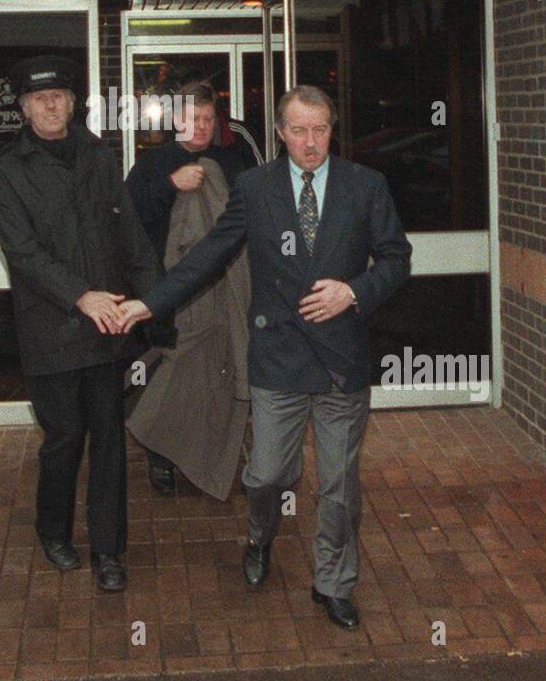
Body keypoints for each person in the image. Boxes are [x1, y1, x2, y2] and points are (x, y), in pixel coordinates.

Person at [118, 84, 412, 629]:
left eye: (320, 130)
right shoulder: (255, 187)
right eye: (298, 131)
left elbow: (396, 258)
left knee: (338, 485)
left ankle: (334, 582)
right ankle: (260, 536)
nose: (310, 142)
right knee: (266, 474)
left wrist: (354, 291)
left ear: (332, 129)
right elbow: (208, 255)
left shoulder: (365, 185)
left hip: (341, 359)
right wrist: (150, 302)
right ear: (279, 133)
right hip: (277, 355)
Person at [0, 55, 159, 593]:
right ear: (23, 108)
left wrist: (155, 300)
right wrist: (79, 296)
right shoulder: (8, 169)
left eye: (58, 96)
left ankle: (109, 549)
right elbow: (22, 252)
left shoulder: (98, 155)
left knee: (109, 439)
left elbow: (128, 232)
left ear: (72, 102)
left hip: (107, 328)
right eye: (39, 98)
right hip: (51, 329)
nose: (50, 105)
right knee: (64, 437)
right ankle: (53, 530)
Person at [125, 81, 257, 493]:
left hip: (226, 285)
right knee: (176, 366)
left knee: (219, 370)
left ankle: (208, 455)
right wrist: (170, 185)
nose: (200, 126)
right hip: (171, 289)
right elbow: (127, 220)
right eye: (191, 118)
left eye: (207, 119)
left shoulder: (233, 160)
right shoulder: (153, 163)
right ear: (174, 119)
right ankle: (160, 451)